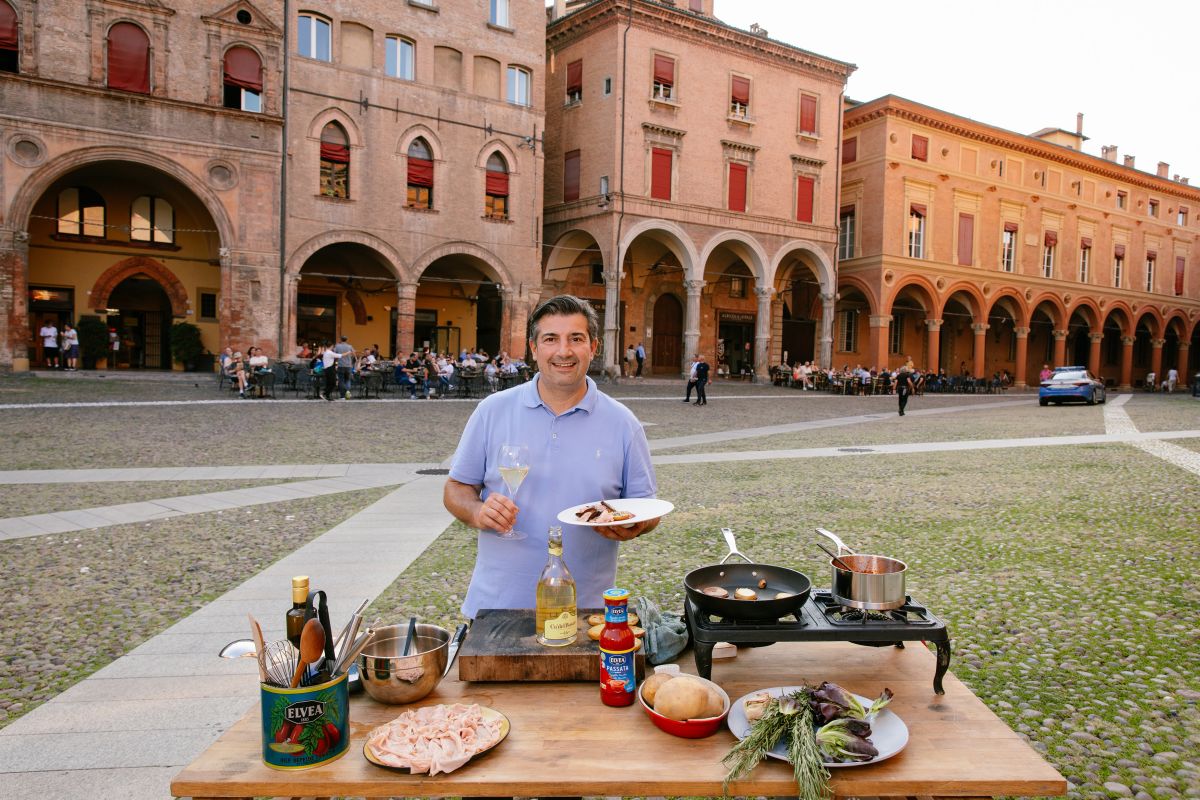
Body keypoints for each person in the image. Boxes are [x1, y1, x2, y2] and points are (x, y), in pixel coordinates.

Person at [443, 294, 658, 618]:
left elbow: (647, 508)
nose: (563, 351)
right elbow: (456, 489)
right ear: (534, 348)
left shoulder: (624, 424)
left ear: (593, 347)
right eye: (550, 339)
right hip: (498, 608)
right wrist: (477, 512)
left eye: (576, 338)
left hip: (588, 611)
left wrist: (636, 526)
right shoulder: (492, 411)